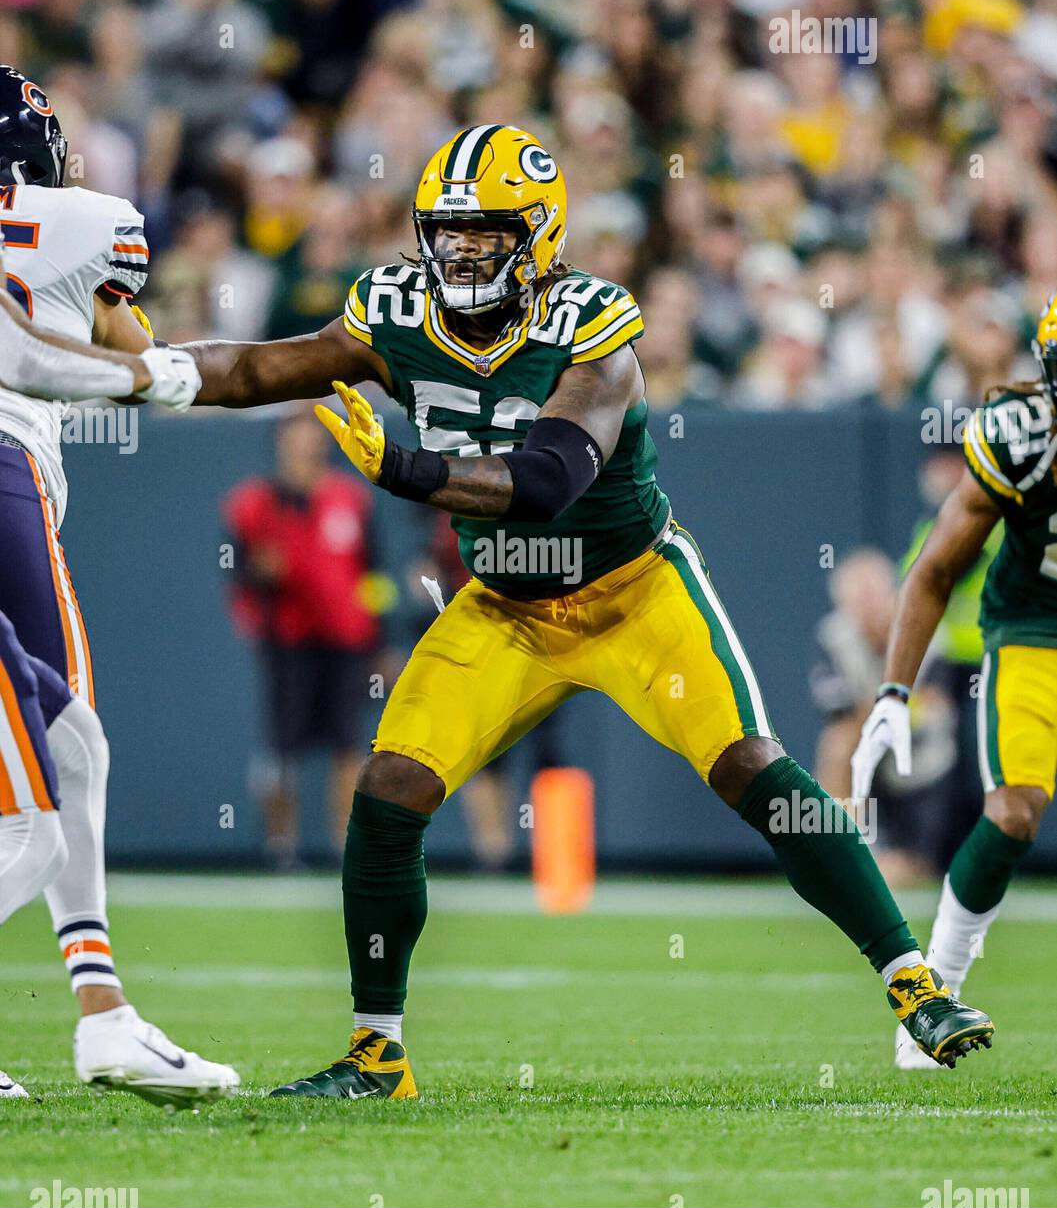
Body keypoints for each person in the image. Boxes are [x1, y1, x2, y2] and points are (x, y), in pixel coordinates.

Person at [182, 124, 995, 1099]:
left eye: (483, 237)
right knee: (389, 788)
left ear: (539, 236)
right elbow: (257, 369)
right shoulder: (392, 308)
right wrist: (139, 370)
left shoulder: (592, 325)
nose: (458, 256)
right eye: (446, 234)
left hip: (631, 592)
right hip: (505, 606)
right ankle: (376, 1051)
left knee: (755, 769)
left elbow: (543, 482)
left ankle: (913, 981)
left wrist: (404, 467)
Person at [0, 67, 238, 1104]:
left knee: (68, 747)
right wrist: (154, 375)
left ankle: (106, 1014)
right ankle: (103, 1019)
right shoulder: (80, 218)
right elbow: (39, 350)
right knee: (41, 802)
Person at [854, 294, 1057, 1070]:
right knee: (1012, 811)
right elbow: (935, 568)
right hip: (1036, 623)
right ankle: (930, 999)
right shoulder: (1019, 438)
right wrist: (893, 692)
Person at [223, 410, 382, 869]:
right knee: (282, 746)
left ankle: (345, 846)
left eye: (311, 437)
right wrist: (260, 575)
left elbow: (372, 574)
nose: (305, 446)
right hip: (287, 638)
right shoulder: (253, 503)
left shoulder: (350, 499)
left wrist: (380, 640)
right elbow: (236, 574)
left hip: (347, 640)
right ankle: (280, 846)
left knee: (349, 744)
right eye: (295, 438)